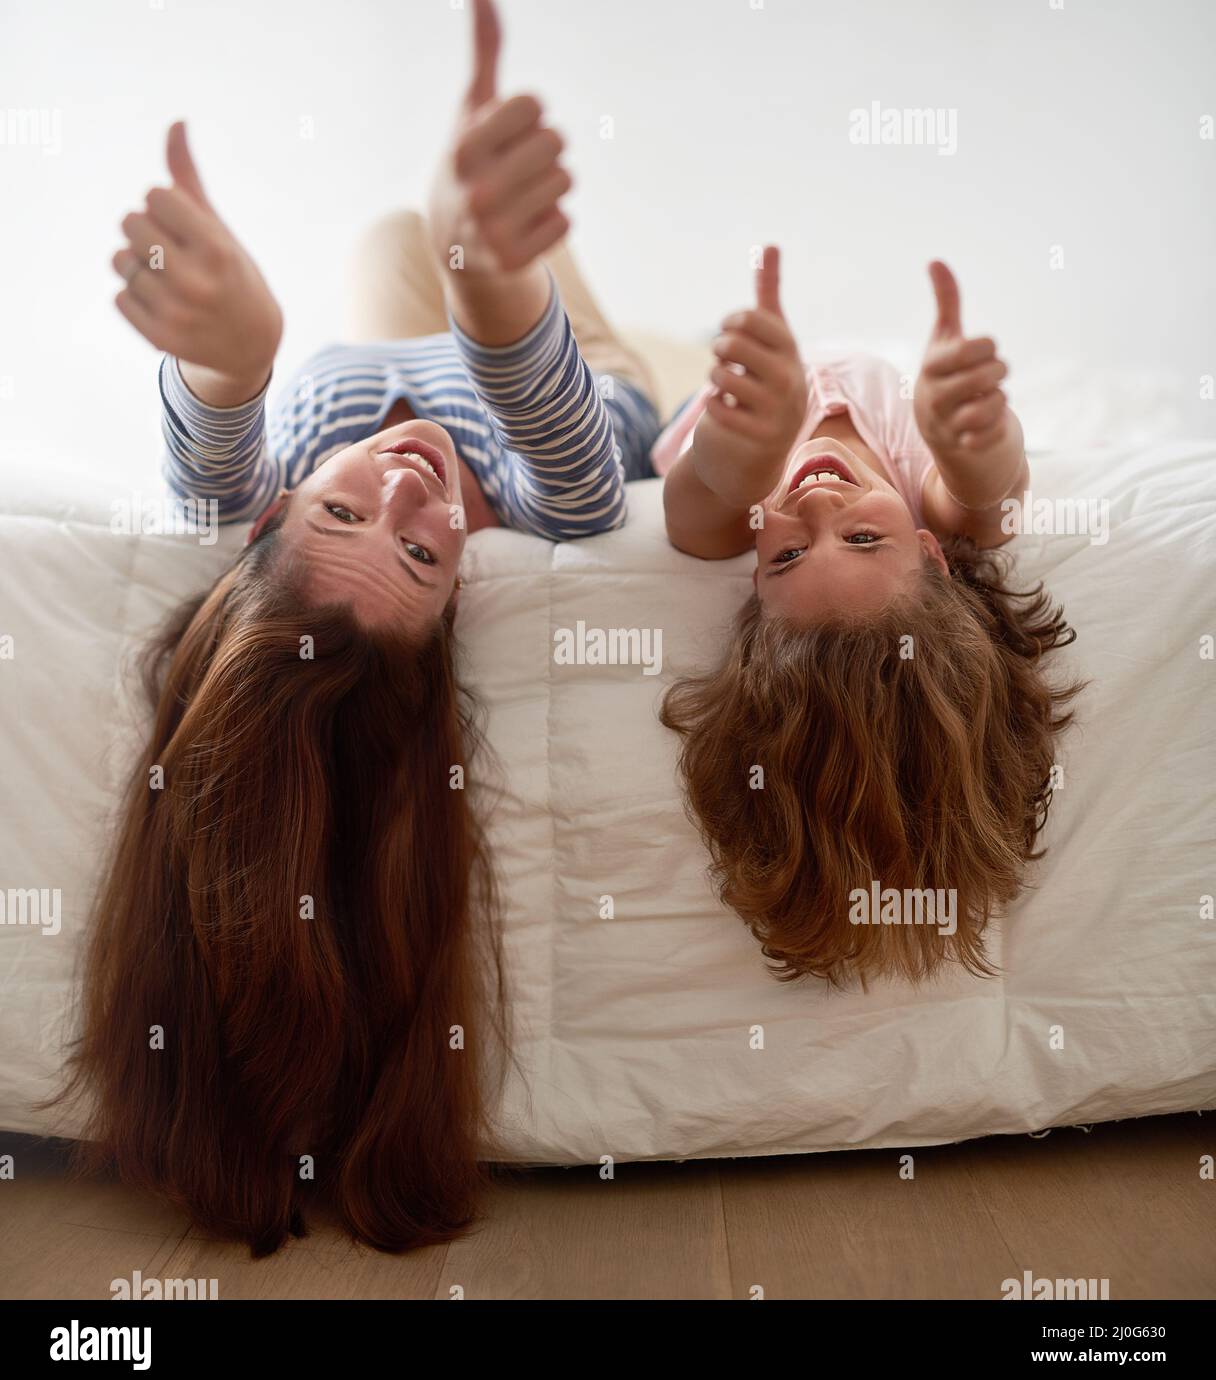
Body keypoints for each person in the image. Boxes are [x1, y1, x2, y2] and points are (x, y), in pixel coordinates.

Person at [47, 0, 657, 1258]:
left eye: (340, 512)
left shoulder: (276, 501)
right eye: (426, 553)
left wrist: (231, 363)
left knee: (388, 237)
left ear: (280, 511)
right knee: (454, 253)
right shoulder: (534, 495)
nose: (411, 493)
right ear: (459, 594)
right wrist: (485, 283)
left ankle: (448, 253)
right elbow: (571, 461)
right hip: (587, 370)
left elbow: (208, 482)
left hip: (380, 350)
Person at [657, 248, 1081, 987]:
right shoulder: (928, 500)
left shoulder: (735, 516)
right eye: (861, 539)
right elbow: (986, 502)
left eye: (787, 556)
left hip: (700, 383)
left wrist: (742, 456)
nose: (817, 506)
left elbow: (701, 503)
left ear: (754, 588)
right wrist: (976, 442)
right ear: (931, 556)